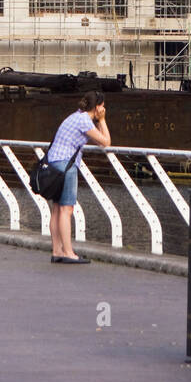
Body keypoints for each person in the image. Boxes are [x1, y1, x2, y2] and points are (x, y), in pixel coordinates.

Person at [45, 91, 111, 264]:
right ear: (97, 107)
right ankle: (68, 252)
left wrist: (97, 122)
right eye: (102, 106)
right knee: (67, 210)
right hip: (66, 165)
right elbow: (106, 142)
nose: (104, 109)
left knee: (57, 209)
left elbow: (99, 141)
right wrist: (102, 120)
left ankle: (57, 251)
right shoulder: (84, 121)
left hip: (54, 162)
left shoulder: (76, 117)